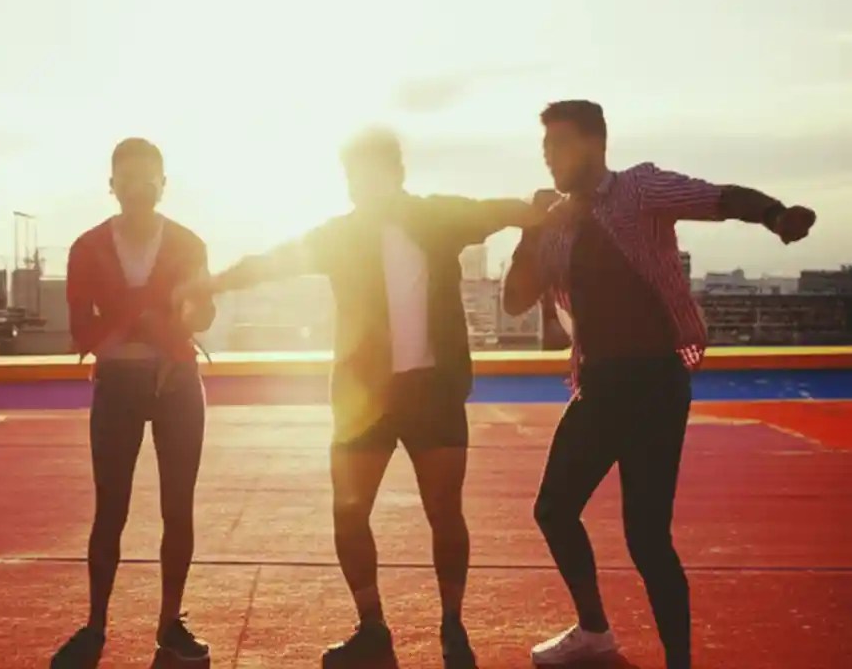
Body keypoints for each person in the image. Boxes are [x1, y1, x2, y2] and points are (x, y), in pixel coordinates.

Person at [174, 127, 540, 669]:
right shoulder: (338, 235)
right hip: (362, 397)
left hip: (432, 392)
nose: (356, 187)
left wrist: (545, 207)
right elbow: (271, 261)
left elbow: (502, 209)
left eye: (365, 175)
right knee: (349, 514)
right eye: (350, 178)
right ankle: (372, 630)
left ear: (395, 173)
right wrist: (211, 284)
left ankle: (453, 626)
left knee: (445, 513)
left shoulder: (439, 216)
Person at [502, 100, 816, 669]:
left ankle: (679, 662)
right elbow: (515, 299)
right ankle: (595, 632)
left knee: (647, 538)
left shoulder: (640, 190)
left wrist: (775, 215)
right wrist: (530, 228)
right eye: (545, 148)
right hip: (598, 387)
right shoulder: (557, 223)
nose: (550, 158)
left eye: (560, 145)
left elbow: (718, 198)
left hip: (653, 383)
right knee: (553, 509)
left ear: (595, 145)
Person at [51, 138, 216, 668]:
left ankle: (171, 624)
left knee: (178, 508)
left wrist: (156, 330)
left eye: (148, 179)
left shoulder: (189, 242)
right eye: (127, 179)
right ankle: (96, 624)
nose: (138, 188)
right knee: (110, 509)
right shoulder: (86, 247)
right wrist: (145, 319)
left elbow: (205, 315)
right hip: (118, 385)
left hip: (179, 386)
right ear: (112, 185)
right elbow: (81, 332)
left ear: (163, 184)